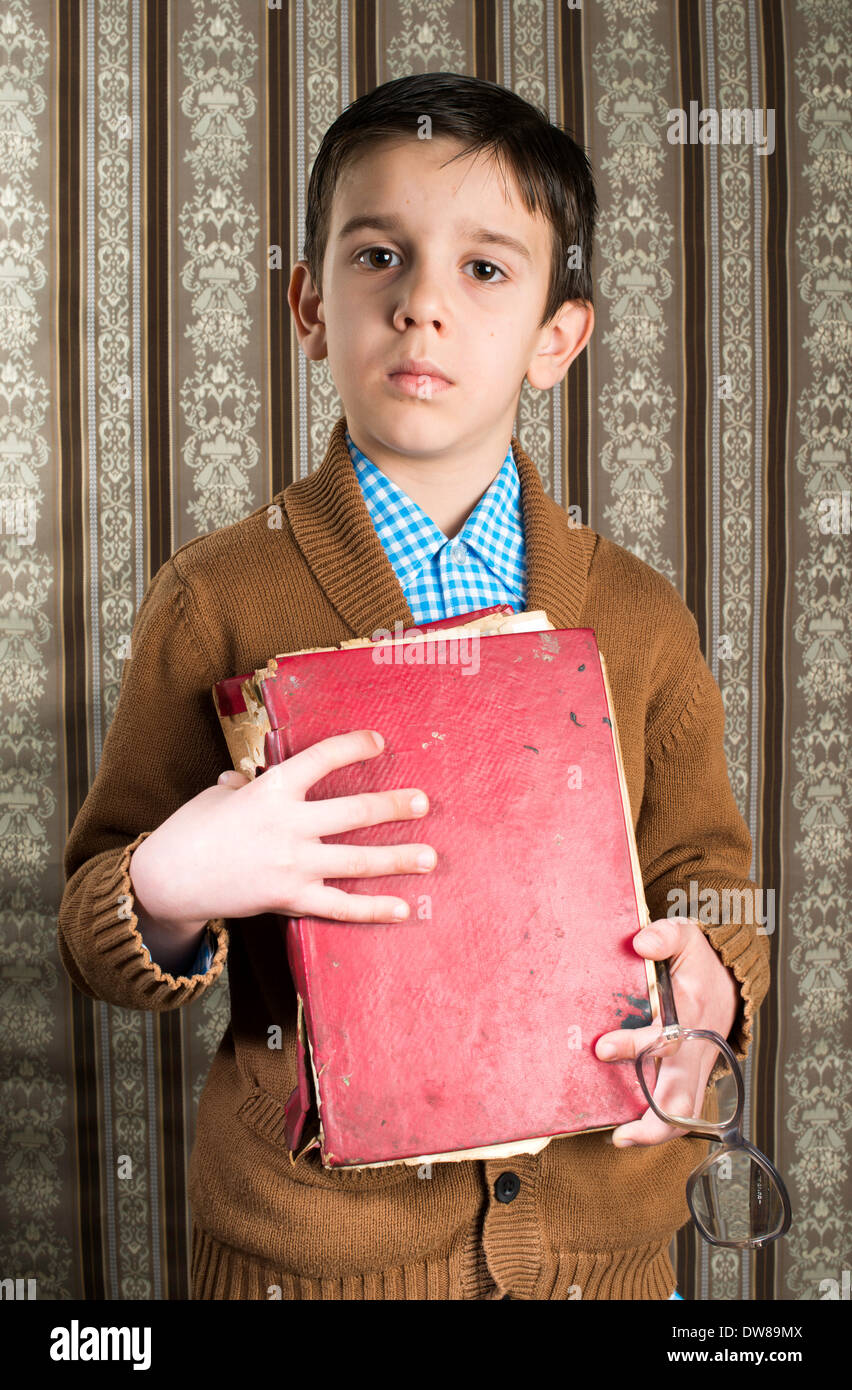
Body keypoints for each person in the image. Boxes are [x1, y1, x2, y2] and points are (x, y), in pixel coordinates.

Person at [58, 72, 770, 1301]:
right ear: (310, 304)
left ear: (559, 336)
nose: (424, 305)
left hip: (600, 1257)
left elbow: (715, 876)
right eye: (379, 254)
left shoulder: (641, 617)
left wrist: (714, 982)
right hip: (309, 1262)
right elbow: (95, 921)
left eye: (486, 269)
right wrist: (168, 886)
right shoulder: (213, 596)